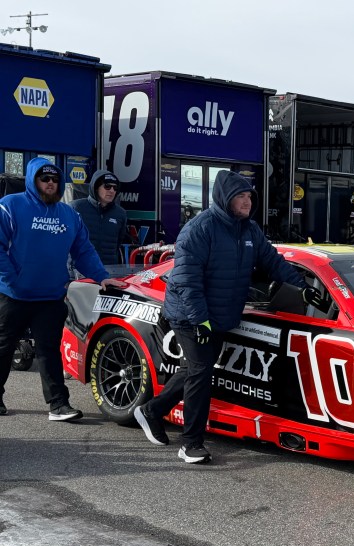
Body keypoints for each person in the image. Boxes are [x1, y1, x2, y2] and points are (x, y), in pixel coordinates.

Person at [133, 171, 325, 464]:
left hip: (220, 315)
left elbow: (273, 261)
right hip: (189, 314)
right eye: (241, 196)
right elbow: (186, 280)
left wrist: (302, 288)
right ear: (225, 199)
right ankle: (190, 443)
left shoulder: (249, 230)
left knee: (197, 369)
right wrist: (200, 320)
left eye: (250, 196)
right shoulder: (200, 229)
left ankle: (150, 411)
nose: (248, 202)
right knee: (201, 372)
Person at [0, 158, 125, 420]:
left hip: (50, 296)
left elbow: (83, 250)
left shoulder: (69, 215)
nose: (50, 183)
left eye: (54, 179)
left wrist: (101, 276)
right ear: (33, 181)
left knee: (49, 350)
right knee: (4, 348)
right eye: (44, 179)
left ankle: (58, 405)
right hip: (13, 295)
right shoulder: (10, 206)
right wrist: (11, 278)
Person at [71, 170, 132, 267]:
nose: (112, 190)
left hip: (108, 270)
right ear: (95, 188)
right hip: (80, 271)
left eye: (115, 188)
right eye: (107, 186)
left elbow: (118, 243)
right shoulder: (76, 207)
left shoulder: (120, 214)